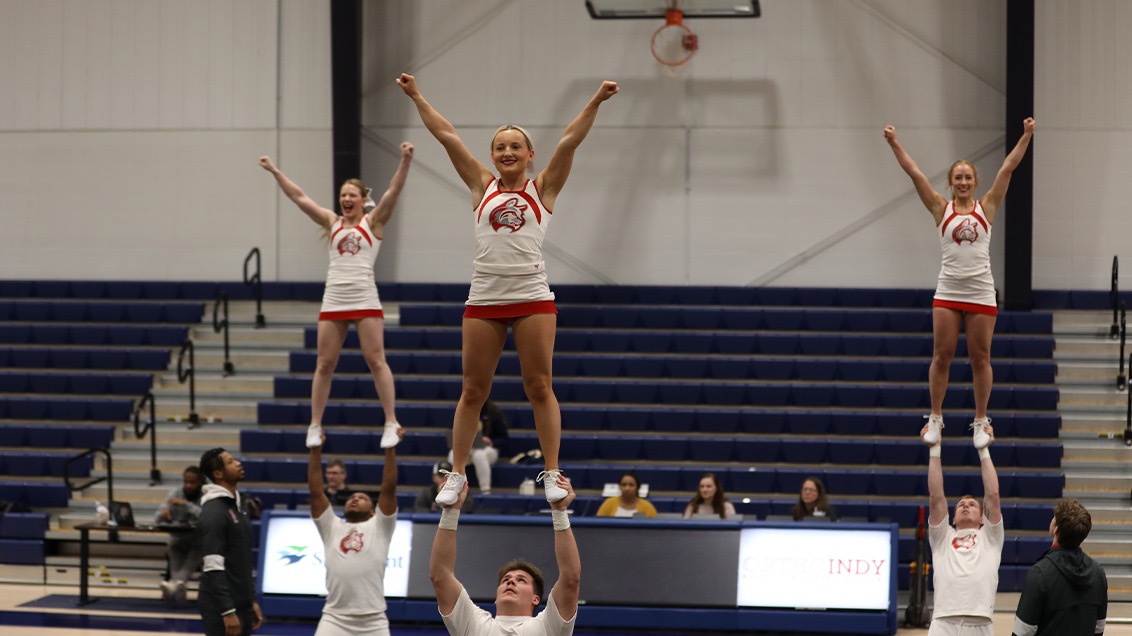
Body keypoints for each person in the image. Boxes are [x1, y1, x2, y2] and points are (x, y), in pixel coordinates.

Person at [397, 72, 618, 506]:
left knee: (539, 386)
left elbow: (570, 140)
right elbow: (446, 135)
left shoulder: (544, 188)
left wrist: (596, 99)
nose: (508, 151)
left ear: (530, 154)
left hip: (533, 297)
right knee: (473, 391)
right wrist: (416, 94)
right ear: (493, 156)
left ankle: (552, 472)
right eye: (500, 147)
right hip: (484, 299)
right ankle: (458, 474)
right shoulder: (482, 186)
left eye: (516, 146)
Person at [884, 118, 1036, 447]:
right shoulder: (941, 209)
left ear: (975, 181)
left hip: (981, 291)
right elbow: (915, 173)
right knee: (942, 356)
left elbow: (1008, 168)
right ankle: (935, 417)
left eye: (968, 177)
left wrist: (1026, 136)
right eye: (958, 178)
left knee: (981, 357)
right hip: (949, 290)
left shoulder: (987, 207)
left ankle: (981, 420)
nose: (963, 182)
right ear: (951, 183)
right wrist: (894, 142)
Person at [259, 144, 415, 449]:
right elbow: (299, 197)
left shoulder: (374, 223)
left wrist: (405, 160)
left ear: (362, 200)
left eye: (351, 195)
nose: (345, 199)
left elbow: (393, 191)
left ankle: (390, 421)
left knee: (376, 360)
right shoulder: (331, 223)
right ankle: (315, 424)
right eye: (342, 195)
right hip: (334, 299)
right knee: (324, 364)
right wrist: (275, 171)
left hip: (365, 297)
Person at [429, 476, 579, 635]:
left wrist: (559, 512)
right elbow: (440, 575)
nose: (511, 581)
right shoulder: (474, 623)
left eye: (521, 580)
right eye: (506, 580)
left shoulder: (547, 626)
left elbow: (570, 578)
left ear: (535, 599)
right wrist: (450, 512)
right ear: (496, 597)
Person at [307, 428, 403, 636]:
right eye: (352, 498)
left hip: (374, 620)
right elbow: (316, 491)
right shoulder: (331, 526)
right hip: (334, 618)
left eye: (362, 498)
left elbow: (388, 489)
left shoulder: (380, 526)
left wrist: (390, 448)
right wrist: (315, 450)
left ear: (372, 510)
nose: (354, 499)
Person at [922, 419, 1003, 635]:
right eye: (961, 505)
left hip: (980, 622)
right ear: (953, 519)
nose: (966, 506)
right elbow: (935, 496)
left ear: (982, 519)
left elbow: (993, 495)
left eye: (972, 505)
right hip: (943, 622)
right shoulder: (942, 537)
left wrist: (984, 449)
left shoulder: (991, 537)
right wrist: (935, 448)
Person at [1012, 499, 1108, 636]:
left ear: (1056, 528)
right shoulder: (1098, 574)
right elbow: (1098, 628)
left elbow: (1022, 632)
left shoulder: (1039, 574)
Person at [198, 448, 262, 636]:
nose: (238, 463)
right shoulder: (214, 513)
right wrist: (227, 611)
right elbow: (212, 566)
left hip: (241, 603)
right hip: (221, 606)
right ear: (218, 474)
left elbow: (242, 560)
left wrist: (251, 600)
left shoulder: (237, 506)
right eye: (230, 462)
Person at [155, 466, 204, 605]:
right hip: (177, 538)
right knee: (175, 554)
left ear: (200, 482)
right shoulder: (174, 493)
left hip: (198, 541)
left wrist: (186, 505)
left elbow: (206, 517)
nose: (188, 485)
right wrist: (164, 514)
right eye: (186, 482)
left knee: (193, 555)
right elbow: (157, 517)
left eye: (192, 482)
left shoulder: (206, 496)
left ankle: (172, 585)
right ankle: (178, 590)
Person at [445, 399, 510, 494]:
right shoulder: (461, 411)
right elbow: (452, 431)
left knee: (479, 455)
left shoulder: (493, 413)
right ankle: (453, 488)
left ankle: (485, 489)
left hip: (488, 448)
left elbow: (503, 437)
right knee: (452, 455)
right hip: (467, 446)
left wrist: (491, 441)